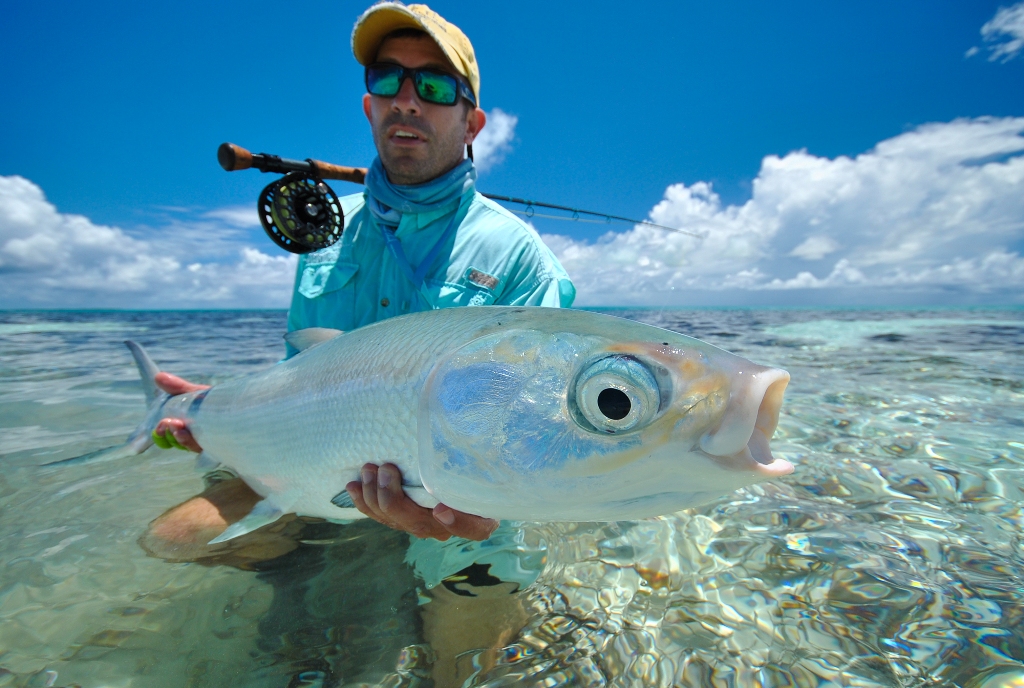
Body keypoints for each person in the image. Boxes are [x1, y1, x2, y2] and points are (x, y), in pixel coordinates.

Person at [142, 3, 574, 685]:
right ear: (369, 107)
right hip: (318, 475)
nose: (407, 99)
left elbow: (536, 430)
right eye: (387, 80)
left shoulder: (520, 259)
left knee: (459, 669)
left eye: (434, 86)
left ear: (472, 123)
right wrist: (216, 421)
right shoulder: (325, 239)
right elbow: (304, 378)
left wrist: (468, 510)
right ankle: (307, 576)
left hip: (456, 510)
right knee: (171, 541)